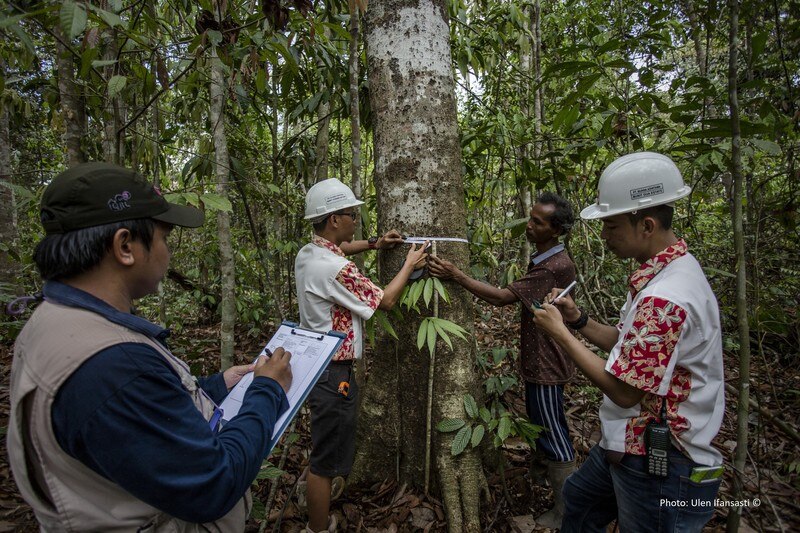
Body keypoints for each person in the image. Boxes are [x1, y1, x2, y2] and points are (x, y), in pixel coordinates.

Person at [7, 162, 293, 532]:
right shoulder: (114, 366)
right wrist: (267, 390)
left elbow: (139, 423)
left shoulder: (59, 320)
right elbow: (213, 485)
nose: (167, 252)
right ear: (125, 246)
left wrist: (217, 386)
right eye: (164, 238)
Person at [532, 152, 725, 532]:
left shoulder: (665, 298)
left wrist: (559, 334)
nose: (605, 236)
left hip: (662, 458)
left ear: (647, 225)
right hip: (627, 441)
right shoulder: (668, 271)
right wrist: (577, 319)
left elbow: (624, 391)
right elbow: (629, 346)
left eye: (611, 226)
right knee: (579, 502)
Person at [427, 191, 577, 528]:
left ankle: (566, 511)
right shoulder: (546, 258)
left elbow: (501, 298)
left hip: (547, 364)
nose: (529, 225)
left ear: (555, 230)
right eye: (531, 218)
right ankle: (542, 483)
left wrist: (456, 274)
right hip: (541, 360)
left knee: (554, 434)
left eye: (538, 222)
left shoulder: (553, 266)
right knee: (545, 426)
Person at [294, 178, 428, 533]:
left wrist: (374, 244)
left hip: (317, 366)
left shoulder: (309, 253)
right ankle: (317, 527)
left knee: (325, 444)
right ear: (334, 219)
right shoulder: (336, 269)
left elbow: (341, 249)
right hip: (333, 373)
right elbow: (386, 300)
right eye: (352, 215)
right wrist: (410, 263)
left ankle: (315, 501)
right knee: (324, 462)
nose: (356, 220)